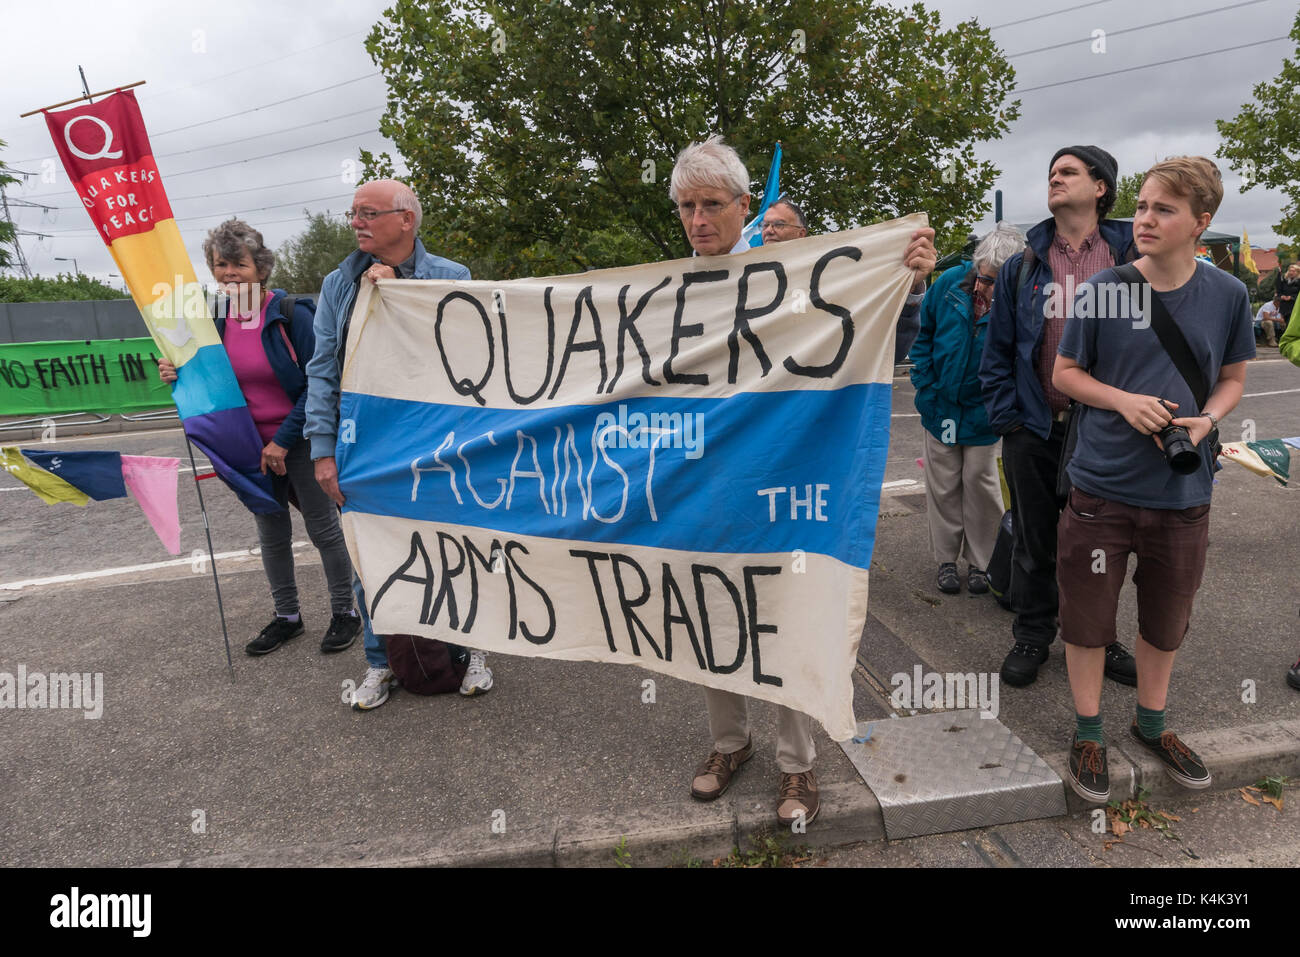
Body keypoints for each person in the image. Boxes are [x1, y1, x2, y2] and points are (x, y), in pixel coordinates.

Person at [671, 137, 937, 826]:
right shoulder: (660, 293)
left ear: (744, 205)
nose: (698, 219)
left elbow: (870, 346)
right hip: (698, 488)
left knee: (785, 619)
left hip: (782, 483)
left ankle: (798, 764)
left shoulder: (793, 278)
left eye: (711, 204)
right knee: (711, 616)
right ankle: (728, 744)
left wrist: (905, 285)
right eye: (685, 206)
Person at [1052, 156, 1253, 801]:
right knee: (1087, 618)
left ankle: (1151, 724)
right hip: (1100, 489)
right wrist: (1123, 401)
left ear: (1202, 222)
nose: (1144, 218)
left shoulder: (1228, 294)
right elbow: (1065, 374)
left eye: (1163, 209)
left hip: (1183, 490)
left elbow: (1234, 379)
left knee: (1166, 620)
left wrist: (1205, 421)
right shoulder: (1104, 287)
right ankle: (1088, 731)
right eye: (1140, 206)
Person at [303, 179, 491, 709]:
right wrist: (322, 450)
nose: (357, 222)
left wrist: (400, 298)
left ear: (406, 220)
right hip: (362, 446)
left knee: (451, 545)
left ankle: (469, 649)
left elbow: (468, 361)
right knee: (372, 554)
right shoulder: (339, 283)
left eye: (369, 212)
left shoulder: (451, 278)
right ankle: (381, 661)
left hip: (437, 442)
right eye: (353, 213)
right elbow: (322, 371)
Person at [159, 219, 361, 657]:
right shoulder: (213, 324)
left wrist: (284, 441)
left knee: (324, 529)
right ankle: (287, 617)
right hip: (250, 448)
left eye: (239, 264)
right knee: (271, 533)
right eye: (220, 265)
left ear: (261, 267)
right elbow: (208, 382)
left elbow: (321, 384)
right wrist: (176, 373)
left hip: (302, 440)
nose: (229, 273)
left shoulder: (292, 315)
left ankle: (345, 612)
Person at [979, 146, 1138, 688]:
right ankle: (1032, 633)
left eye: (1068, 171)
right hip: (1035, 427)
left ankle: (1100, 636)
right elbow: (996, 351)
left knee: (1101, 545)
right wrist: (1011, 419)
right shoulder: (1025, 262)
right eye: (1050, 172)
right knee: (1033, 537)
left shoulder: (1133, 256)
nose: (1055, 178)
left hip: (1107, 431)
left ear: (1100, 187)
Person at [911, 223, 1025, 595]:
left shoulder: (1023, 301)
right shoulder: (950, 283)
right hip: (940, 406)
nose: (981, 286)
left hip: (985, 414)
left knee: (981, 485)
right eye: (980, 275)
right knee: (942, 484)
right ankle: (945, 559)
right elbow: (923, 334)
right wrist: (926, 386)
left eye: (991, 281)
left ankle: (982, 563)